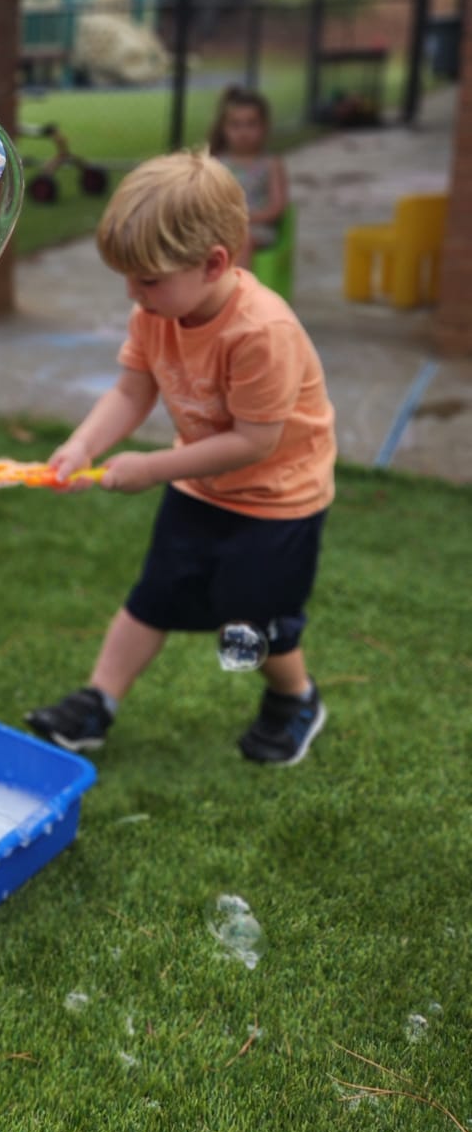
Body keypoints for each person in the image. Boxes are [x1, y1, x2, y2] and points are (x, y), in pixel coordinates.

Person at [25, 149, 334, 768]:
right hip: (201, 485)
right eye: (129, 279)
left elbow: (255, 442)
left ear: (214, 262)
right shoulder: (155, 312)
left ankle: (294, 697)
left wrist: (148, 468)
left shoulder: (260, 333)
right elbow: (130, 392)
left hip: (277, 500)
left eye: (148, 279)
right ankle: (98, 700)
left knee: (250, 621)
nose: (134, 295)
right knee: (156, 594)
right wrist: (84, 445)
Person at [208, 85, 287, 267]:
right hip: (222, 226)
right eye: (235, 125)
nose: (243, 132)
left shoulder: (270, 164)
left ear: (264, 127)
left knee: (242, 240)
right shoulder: (217, 163)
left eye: (251, 124)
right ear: (224, 128)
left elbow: (277, 207)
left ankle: (239, 292)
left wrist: (247, 218)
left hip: (255, 228)